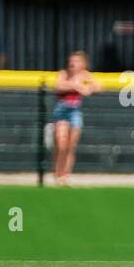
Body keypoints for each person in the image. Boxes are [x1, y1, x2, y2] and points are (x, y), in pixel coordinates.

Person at [51, 50, 102, 186]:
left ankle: (65, 176)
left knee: (70, 145)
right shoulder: (64, 74)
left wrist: (89, 88)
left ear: (83, 64)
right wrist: (76, 85)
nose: (73, 63)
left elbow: (99, 86)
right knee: (61, 143)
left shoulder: (84, 75)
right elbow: (58, 86)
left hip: (75, 112)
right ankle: (57, 173)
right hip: (62, 110)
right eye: (72, 60)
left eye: (77, 61)